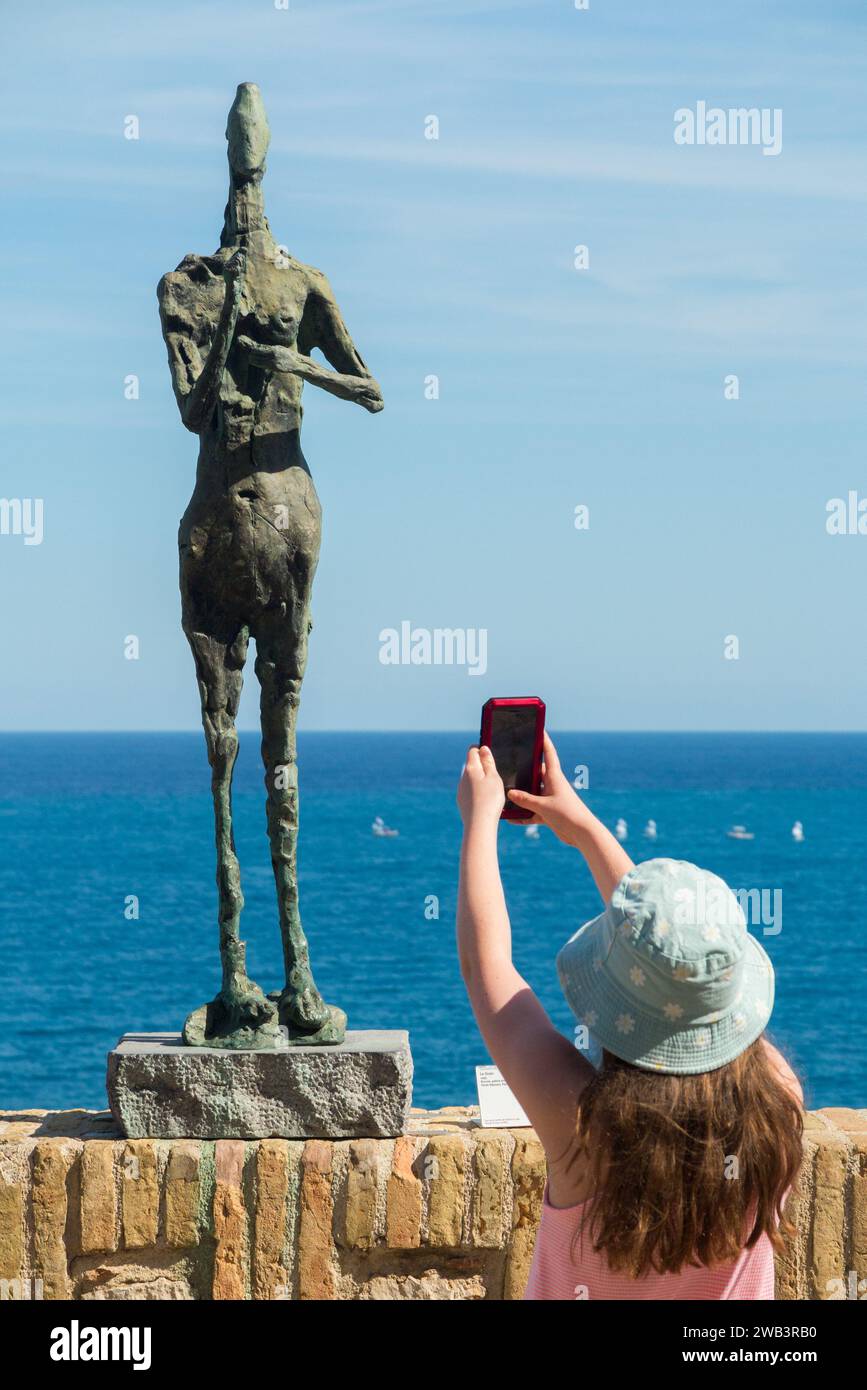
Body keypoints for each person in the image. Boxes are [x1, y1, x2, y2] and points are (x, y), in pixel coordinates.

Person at [456, 734, 804, 1300]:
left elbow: (484, 967)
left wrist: (480, 822)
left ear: (614, 1008)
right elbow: (684, 974)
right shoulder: (778, 1105)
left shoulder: (583, 1128)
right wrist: (587, 830)